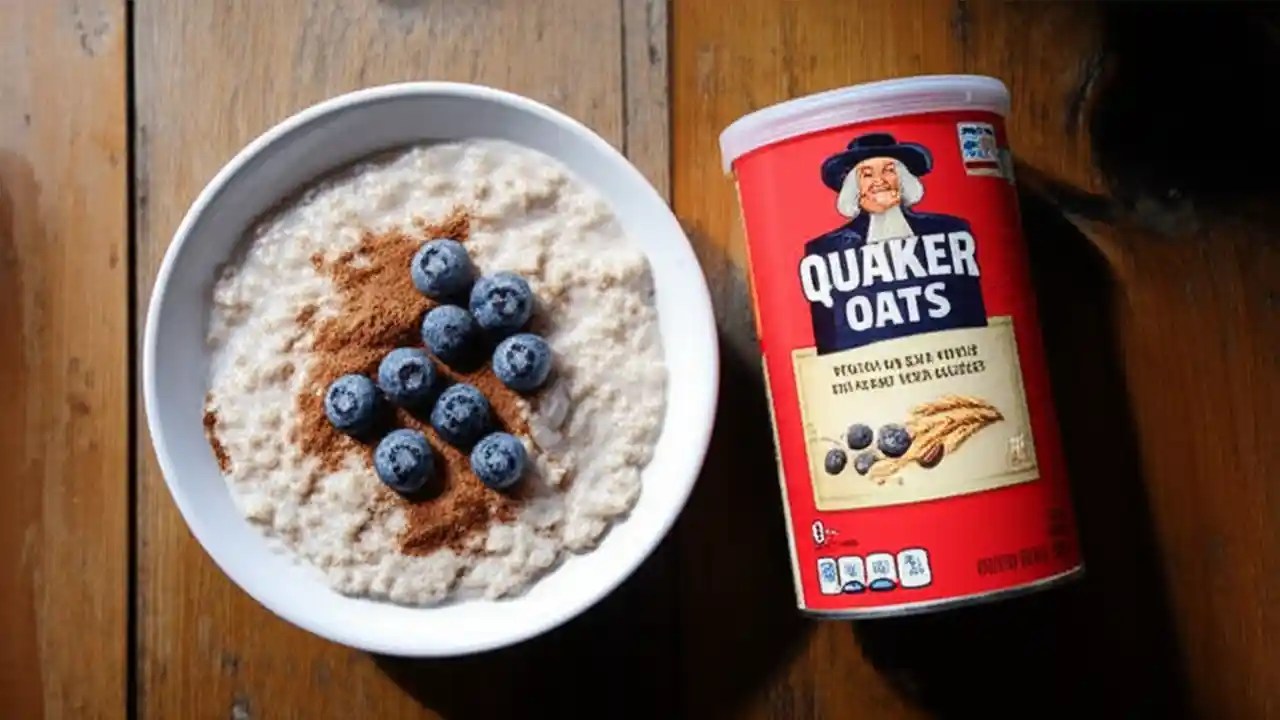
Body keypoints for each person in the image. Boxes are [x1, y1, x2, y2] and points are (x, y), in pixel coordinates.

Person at [804, 133, 987, 353]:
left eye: (889, 170)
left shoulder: (949, 231)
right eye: (867, 174)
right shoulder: (827, 250)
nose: (879, 181)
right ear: (855, 187)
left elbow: (971, 316)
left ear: (903, 179)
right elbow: (830, 340)